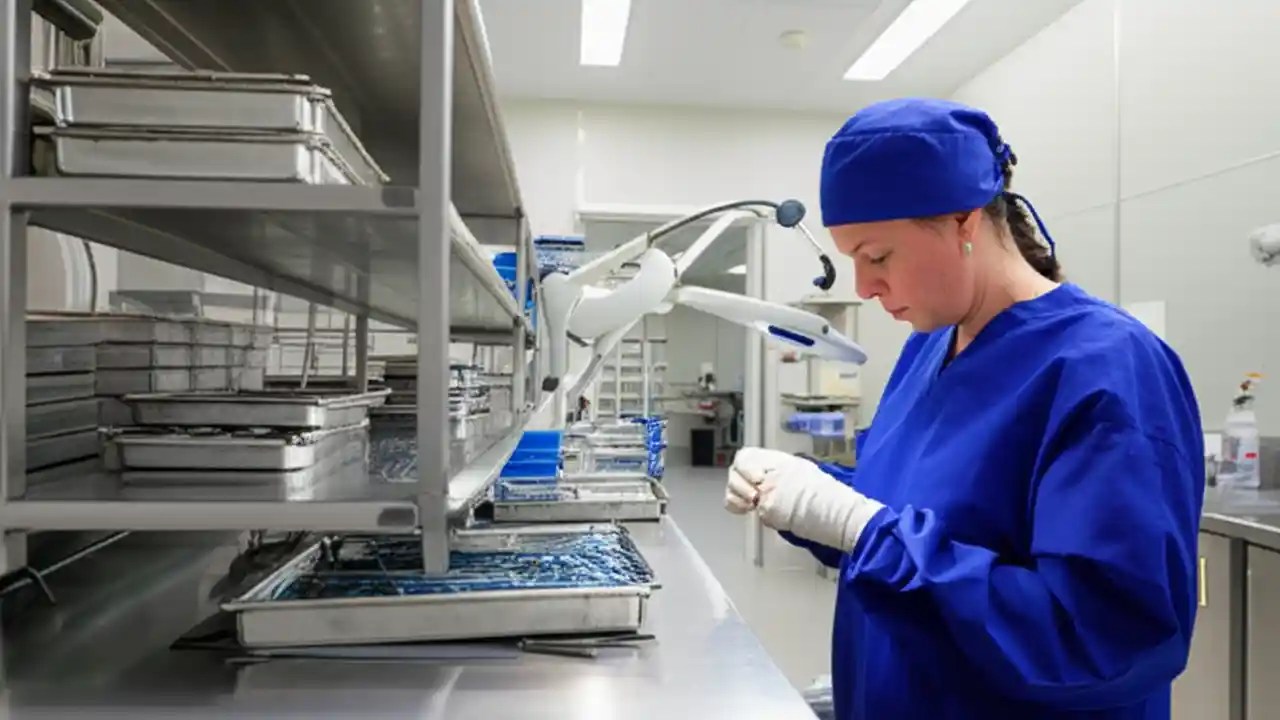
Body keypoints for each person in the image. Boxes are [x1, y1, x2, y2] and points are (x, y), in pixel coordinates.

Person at [724, 98, 1204, 719]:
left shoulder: (1106, 370)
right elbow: (920, 514)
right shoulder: (930, 347)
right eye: (853, 263)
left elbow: (1101, 636)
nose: (865, 288)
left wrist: (862, 530)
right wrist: (811, 497)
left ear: (963, 223)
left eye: (878, 257)